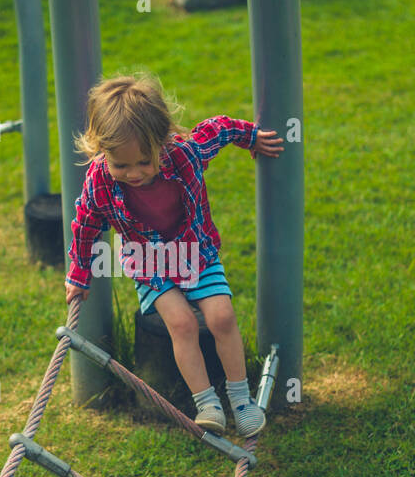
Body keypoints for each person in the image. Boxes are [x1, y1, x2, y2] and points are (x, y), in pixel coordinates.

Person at [63, 73, 284, 436]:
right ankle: (207, 403)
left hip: (195, 252)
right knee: (181, 324)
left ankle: (241, 400)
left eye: (143, 162)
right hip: (149, 263)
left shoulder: (183, 153)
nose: (133, 174)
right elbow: (86, 225)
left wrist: (251, 137)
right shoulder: (99, 180)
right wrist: (79, 275)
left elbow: (220, 129)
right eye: (121, 165)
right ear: (102, 150)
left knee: (222, 317)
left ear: (161, 142)